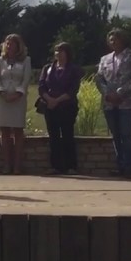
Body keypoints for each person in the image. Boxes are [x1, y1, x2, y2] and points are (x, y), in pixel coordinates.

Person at [96, 29, 131, 179]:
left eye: (115, 39)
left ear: (123, 40)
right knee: (116, 136)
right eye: (110, 39)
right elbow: (99, 78)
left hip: (126, 102)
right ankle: (120, 166)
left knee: (126, 135)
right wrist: (106, 93)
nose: (113, 42)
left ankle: (130, 167)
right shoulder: (104, 59)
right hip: (109, 103)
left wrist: (120, 92)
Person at [37, 42, 82, 175]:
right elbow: (41, 86)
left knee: (67, 135)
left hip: (67, 106)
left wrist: (57, 100)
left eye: (61, 51)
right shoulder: (47, 68)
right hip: (50, 107)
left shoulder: (73, 69)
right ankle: (55, 166)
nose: (58, 54)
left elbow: (73, 89)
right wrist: (49, 99)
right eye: (56, 51)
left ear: (67, 53)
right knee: (54, 136)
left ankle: (71, 166)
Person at [0, 34, 32, 175]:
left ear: (18, 46)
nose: (9, 46)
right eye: (7, 44)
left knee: (17, 131)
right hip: (2, 99)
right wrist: (2, 93)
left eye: (12, 44)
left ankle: (17, 166)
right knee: (4, 132)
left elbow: (26, 80)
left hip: (18, 99)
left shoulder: (26, 60)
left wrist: (17, 94)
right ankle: (6, 165)